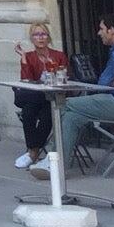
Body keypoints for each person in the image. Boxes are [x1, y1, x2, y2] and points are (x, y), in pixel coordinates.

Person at [62, 13, 114, 153]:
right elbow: (108, 83)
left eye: (102, 28)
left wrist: (113, 82)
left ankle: (52, 158)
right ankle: (57, 162)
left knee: (63, 104)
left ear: (111, 30)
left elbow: (102, 84)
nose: (98, 32)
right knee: (72, 117)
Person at [11, 22, 69, 170]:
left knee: (45, 114)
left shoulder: (58, 55)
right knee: (28, 110)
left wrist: (53, 68)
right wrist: (23, 58)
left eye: (43, 34)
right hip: (36, 97)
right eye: (36, 35)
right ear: (32, 39)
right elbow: (26, 81)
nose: (40, 38)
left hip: (53, 97)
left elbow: (64, 78)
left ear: (48, 37)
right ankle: (33, 151)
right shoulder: (29, 57)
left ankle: (32, 153)